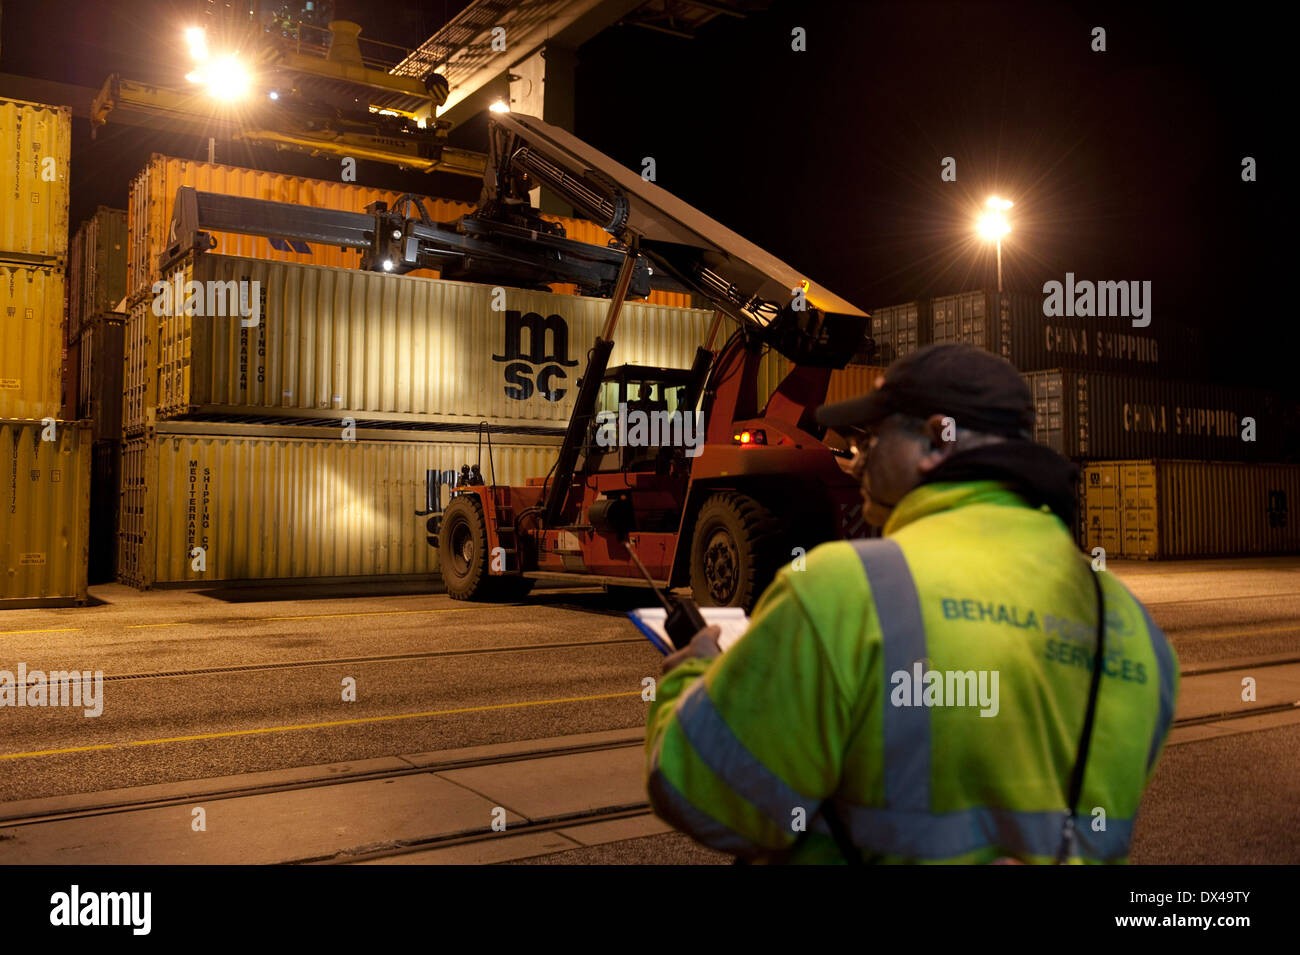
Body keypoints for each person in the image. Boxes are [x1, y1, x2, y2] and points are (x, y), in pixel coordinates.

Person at [644, 343, 1178, 864]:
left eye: (871, 438)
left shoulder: (844, 589)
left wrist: (689, 676)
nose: (856, 463)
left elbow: (706, 795)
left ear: (934, 440)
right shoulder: (1134, 629)